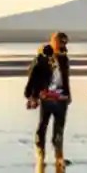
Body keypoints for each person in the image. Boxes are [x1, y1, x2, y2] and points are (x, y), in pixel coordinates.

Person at [24, 32, 71, 164]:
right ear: (54, 42)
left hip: (61, 97)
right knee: (43, 125)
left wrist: (68, 95)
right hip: (46, 96)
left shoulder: (64, 58)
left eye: (64, 42)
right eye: (60, 42)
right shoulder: (43, 57)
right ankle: (40, 154)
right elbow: (33, 75)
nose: (62, 45)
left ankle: (58, 156)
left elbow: (65, 78)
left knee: (59, 128)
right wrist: (31, 95)